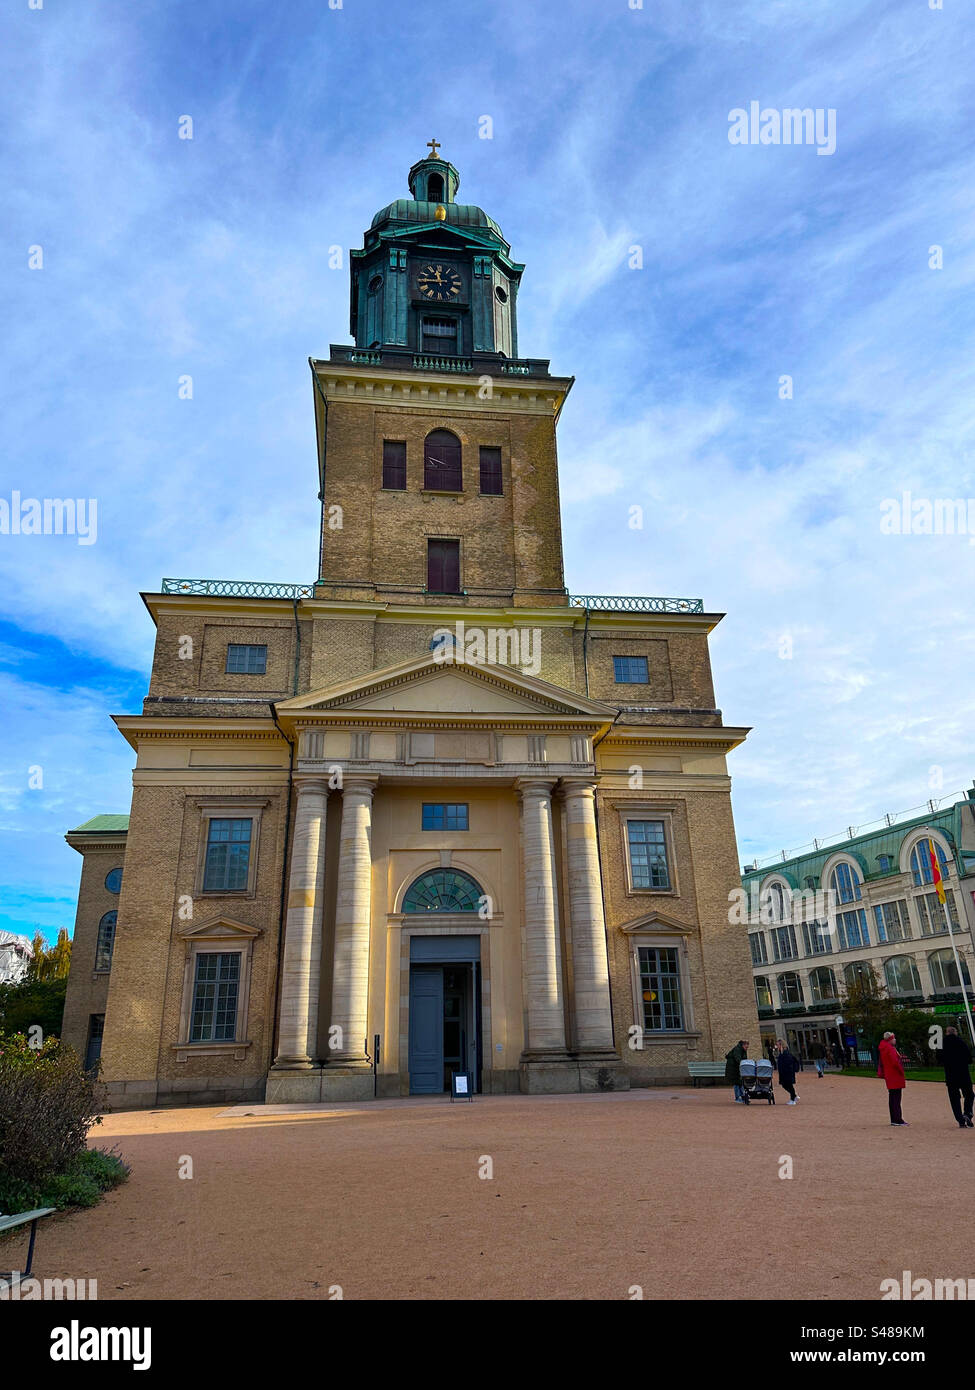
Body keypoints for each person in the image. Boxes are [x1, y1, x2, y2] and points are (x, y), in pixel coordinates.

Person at [941, 1026, 974, 1130]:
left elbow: (940, 1059)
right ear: (955, 1033)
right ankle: (968, 1113)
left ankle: (960, 1120)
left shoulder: (943, 1044)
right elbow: (969, 1059)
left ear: (947, 1033)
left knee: (954, 1099)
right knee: (969, 1095)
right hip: (963, 1075)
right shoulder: (961, 1043)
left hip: (951, 1076)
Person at [877, 1030, 908, 1126]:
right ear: (890, 1039)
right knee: (896, 1098)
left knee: (893, 1097)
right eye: (893, 1038)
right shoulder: (890, 1049)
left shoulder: (884, 1048)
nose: (895, 1040)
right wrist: (901, 1070)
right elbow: (895, 1062)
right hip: (895, 1075)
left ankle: (894, 1118)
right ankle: (898, 1119)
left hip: (889, 1075)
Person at [775, 1039, 800, 1104]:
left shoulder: (786, 1053)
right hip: (784, 1072)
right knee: (786, 1085)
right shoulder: (782, 1053)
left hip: (787, 1072)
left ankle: (793, 1099)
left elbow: (788, 1063)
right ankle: (794, 1096)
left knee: (788, 1085)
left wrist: (787, 1070)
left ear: (781, 1045)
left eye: (777, 1045)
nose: (776, 1046)